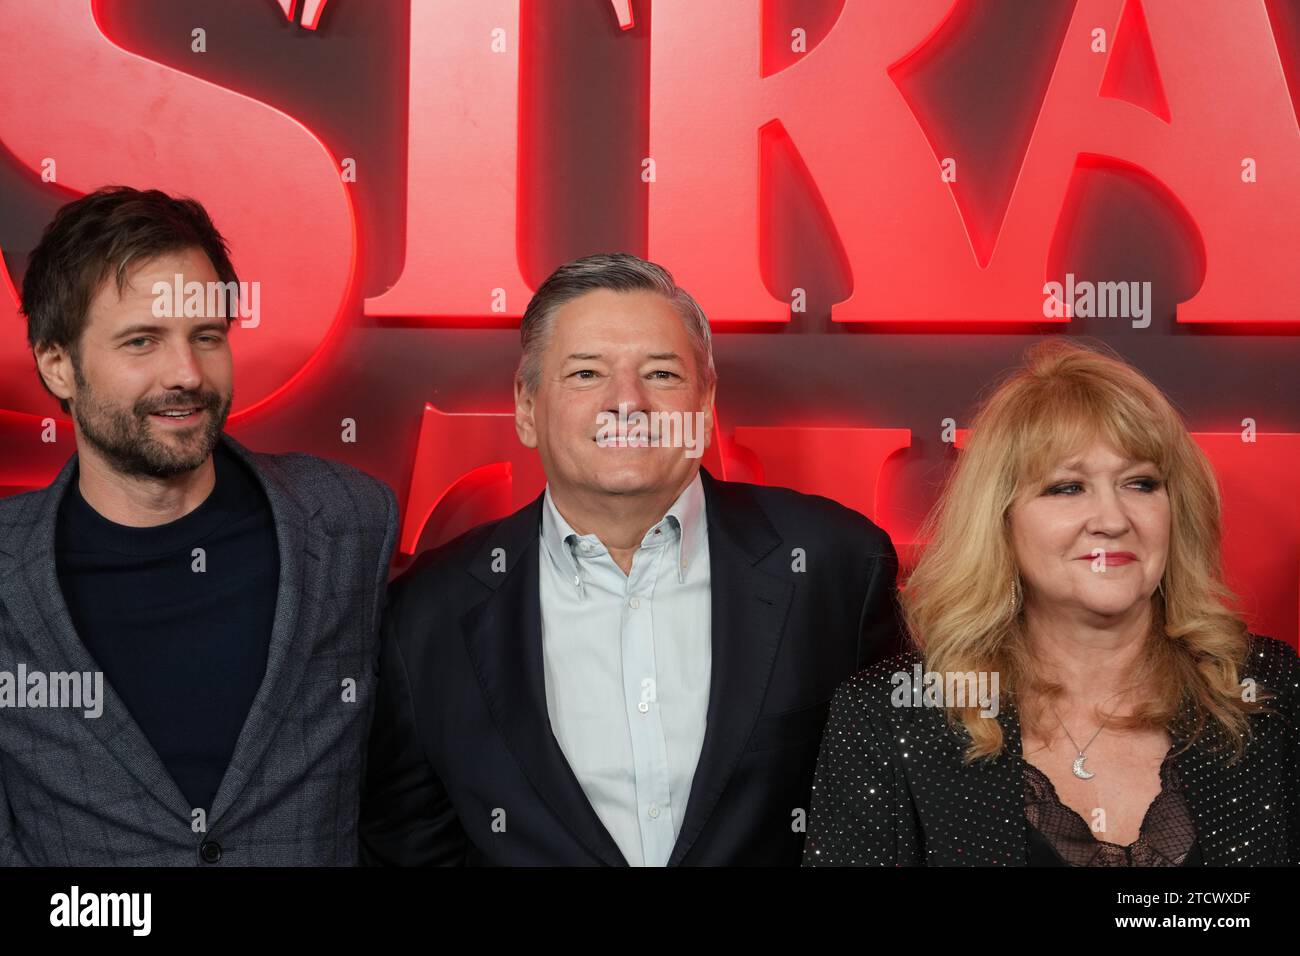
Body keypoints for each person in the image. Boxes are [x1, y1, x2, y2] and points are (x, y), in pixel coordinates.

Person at [360, 252, 903, 865]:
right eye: (586, 373)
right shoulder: (426, 612)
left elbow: (896, 816)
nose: (627, 403)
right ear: (526, 407)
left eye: (662, 374)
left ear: (705, 404)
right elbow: (408, 847)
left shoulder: (836, 567)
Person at [0, 186, 397, 865]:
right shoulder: (9, 569)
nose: (186, 374)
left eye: (206, 337)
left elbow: (406, 789)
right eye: (142, 341)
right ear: (57, 364)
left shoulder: (349, 520)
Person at [804, 339, 1298, 866]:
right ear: (1001, 520)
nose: (1112, 519)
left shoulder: (1272, 689)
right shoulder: (889, 716)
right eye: (1067, 488)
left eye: (1140, 483)